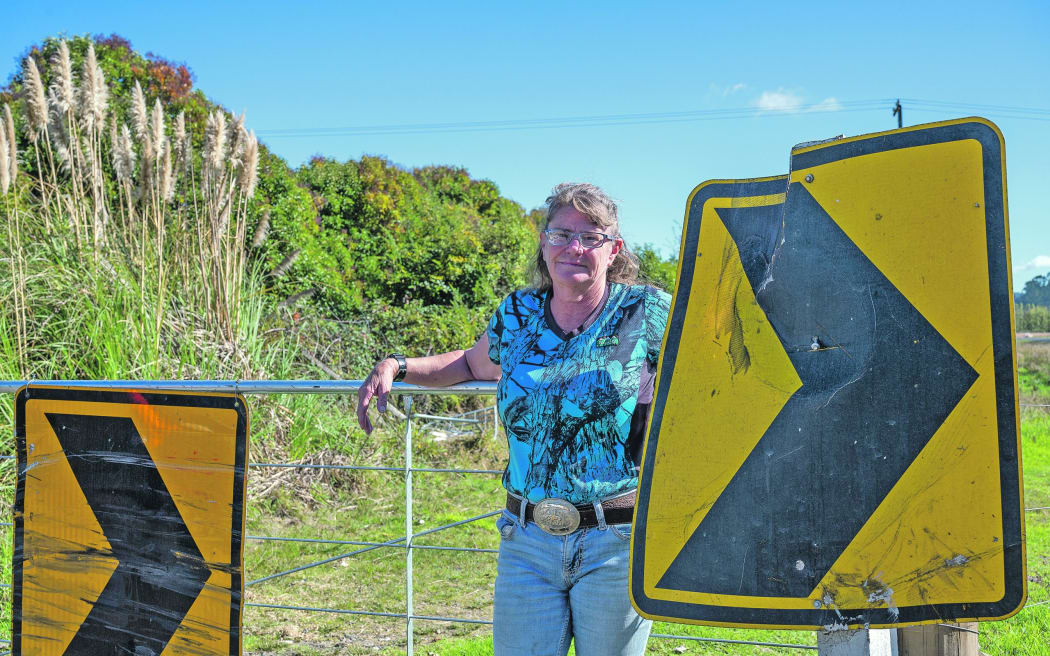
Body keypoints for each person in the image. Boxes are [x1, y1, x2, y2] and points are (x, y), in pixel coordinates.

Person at [356, 182, 671, 656]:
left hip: (617, 541)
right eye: (562, 234)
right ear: (544, 242)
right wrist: (398, 366)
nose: (575, 248)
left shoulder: (645, 311)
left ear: (614, 250)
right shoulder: (518, 313)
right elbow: (469, 364)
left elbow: (708, 368)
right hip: (527, 540)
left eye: (592, 237)